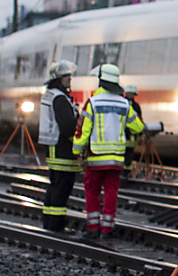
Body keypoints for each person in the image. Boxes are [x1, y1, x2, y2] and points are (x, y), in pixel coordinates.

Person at [72, 64, 143, 239]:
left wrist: (77, 153)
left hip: (95, 157)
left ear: (101, 80)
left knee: (92, 191)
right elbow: (138, 127)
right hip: (116, 159)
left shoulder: (93, 103)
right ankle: (107, 229)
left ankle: (93, 228)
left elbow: (82, 132)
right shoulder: (125, 104)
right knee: (111, 191)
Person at [38, 60, 80, 232]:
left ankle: (49, 222)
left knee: (55, 186)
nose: (69, 79)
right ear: (58, 79)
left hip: (52, 146)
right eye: (65, 76)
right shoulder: (60, 98)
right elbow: (68, 126)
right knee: (62, 187)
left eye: (69, 76)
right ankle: (56, 226)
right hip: (62, 148)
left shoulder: (51, 95)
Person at [122, 84, 144, 177]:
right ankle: (122, 172)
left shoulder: (136, 106)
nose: (131, 95)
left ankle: (127, 173)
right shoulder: (122, 104)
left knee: (129, 155)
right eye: (129, 93)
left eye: (132, 94)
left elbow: (140, 121)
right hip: (122, 136)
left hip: (132, 137)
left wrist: (141, 136)